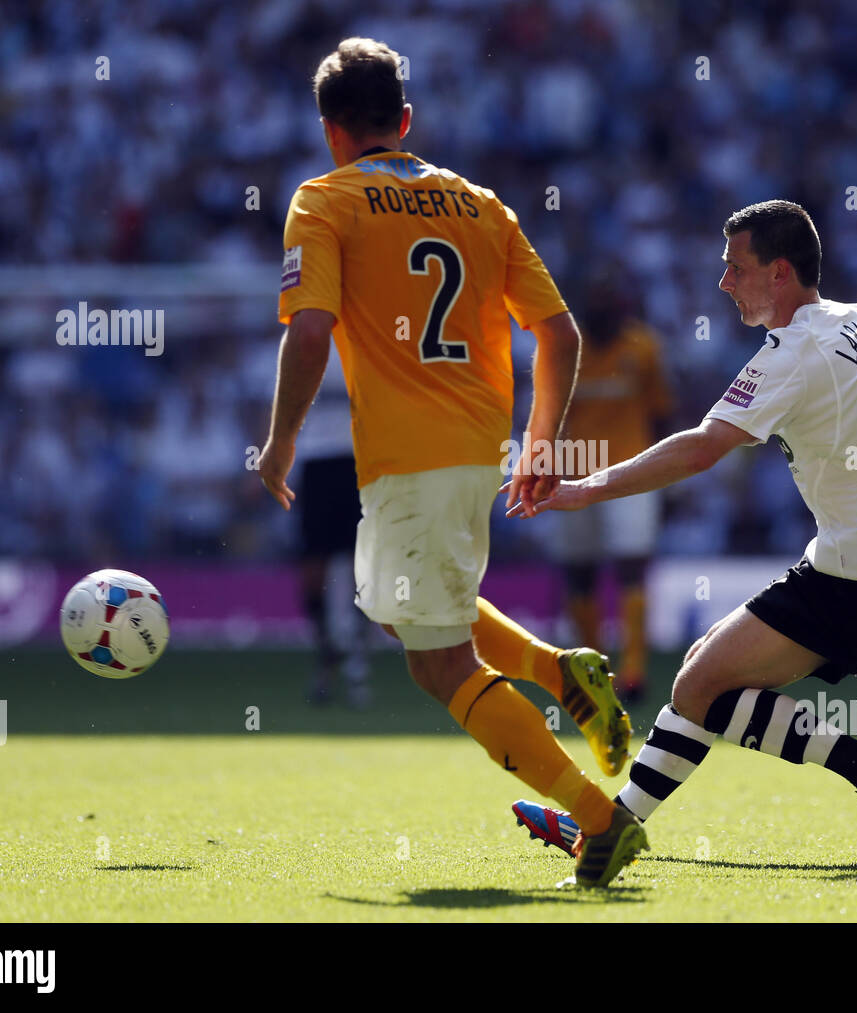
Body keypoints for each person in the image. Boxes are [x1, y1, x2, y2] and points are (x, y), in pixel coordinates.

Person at [509, 200, 857, 870]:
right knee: (708, 678)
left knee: (699, 683)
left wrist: (586, 487)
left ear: (781, 273)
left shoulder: (794, 352)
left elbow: (702, 449)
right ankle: (613, 822)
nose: (723, 282)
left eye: (736, 267)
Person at [258, 37, 642, 887]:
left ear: (330, 131)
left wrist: (281, 437)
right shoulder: (481, 204)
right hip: (477, 451)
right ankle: (557, 670)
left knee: (437, 662)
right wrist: (538, 446)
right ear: (405, 121)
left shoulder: (324, 200)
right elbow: (561, 333)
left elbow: (311, 328)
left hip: (406, 459)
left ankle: (597, 817)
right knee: (409, 614)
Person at [548, 276, 673, 703]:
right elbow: (546, 415)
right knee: (580, 571)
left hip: (631, 471)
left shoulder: (642, 348)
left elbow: (661, 416)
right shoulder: (567, 350)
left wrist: (664, 473)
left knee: (630, 565)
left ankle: (634, 671)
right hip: (572, 474)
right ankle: (594, 667)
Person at [292, 355, 371, 708]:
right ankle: (327, 654)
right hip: (315, 463)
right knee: (313, 570)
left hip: (362, 459)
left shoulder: (369, 334)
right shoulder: (304, 334)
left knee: (363, 568)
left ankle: (357, 662)